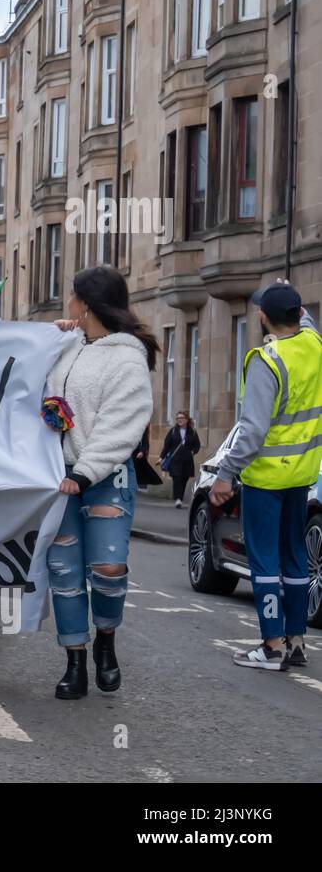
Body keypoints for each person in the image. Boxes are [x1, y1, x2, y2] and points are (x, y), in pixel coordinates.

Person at [47, 266, 157, 700]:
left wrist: (84, 472)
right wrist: (50, 338)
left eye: (72, 298)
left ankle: (106, 640)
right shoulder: (68, 347)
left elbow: (121, 426)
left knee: (108, 568)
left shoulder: (128, 357)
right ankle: (74, 658)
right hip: (58, 478)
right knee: (64, 571)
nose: (67, 305)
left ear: (86, 304)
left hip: (104, 477)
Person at [211, 282, 320, 672]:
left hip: (266, 478)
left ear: (262, 317)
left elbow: (253, 429)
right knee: (294, 559)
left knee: (264, 562)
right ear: (299, 312)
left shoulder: (267, 359)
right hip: (302, 474)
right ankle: (296, 642)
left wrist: (226, 474)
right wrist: (290, 296)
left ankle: (271, 646)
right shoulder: (315, 346)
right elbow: (306, 321)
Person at [159, 411, 202, 508]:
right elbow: (167, 445)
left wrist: (193, 452)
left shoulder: (193, 431)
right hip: (175, 460)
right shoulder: (173, 431)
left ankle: (180, 498)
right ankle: (177, 499)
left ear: (186, 420)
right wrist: (161, 457)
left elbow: (197, 445)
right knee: (177, 478)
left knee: (184, 479)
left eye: (181, 418)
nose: (179, 420)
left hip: (187, 460)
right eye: (178, 418)